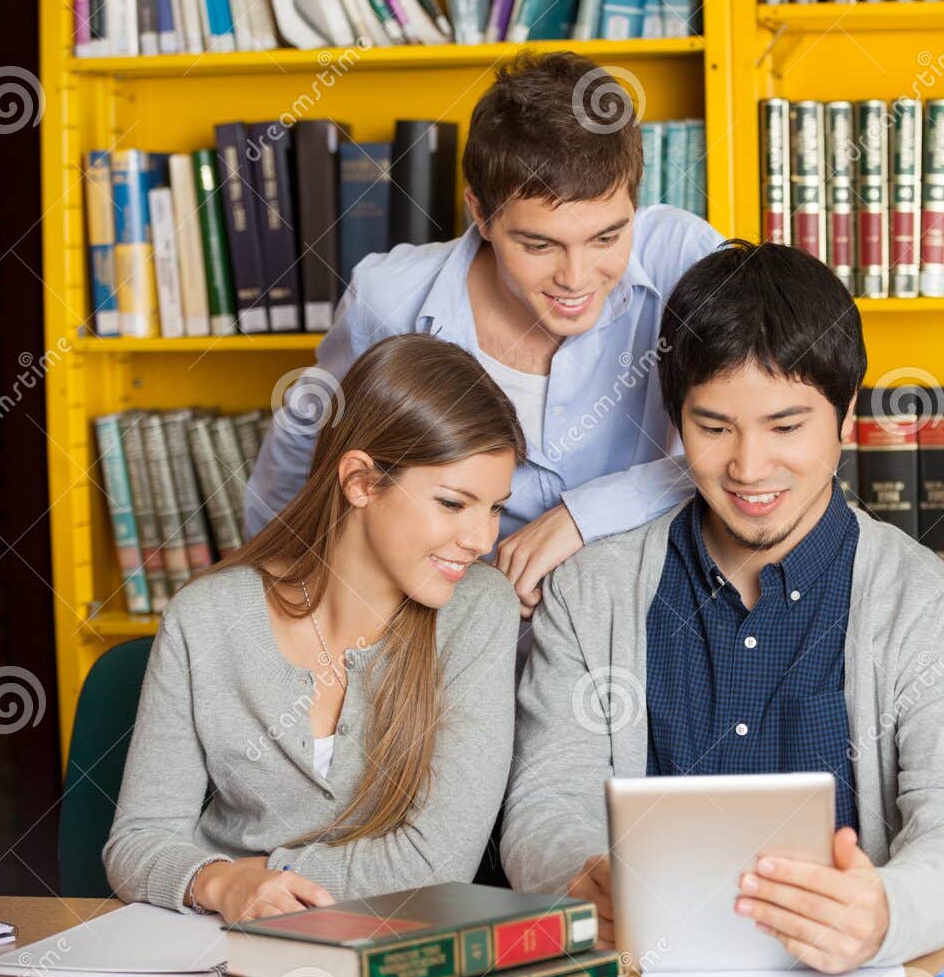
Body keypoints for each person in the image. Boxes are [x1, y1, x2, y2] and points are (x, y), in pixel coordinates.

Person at [500, 241, 944, 973]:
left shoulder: (935, 613)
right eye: (713, 428)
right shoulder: (592, 594)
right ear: (676, 422)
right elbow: (546, 800)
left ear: (846, 416)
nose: (748, 467)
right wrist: (581, 879)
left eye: (785, 426)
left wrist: (884, 912)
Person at [245, 50, 723, 617]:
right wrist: (269, 603)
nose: (576, 279)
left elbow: (758, 434)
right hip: (444, 626)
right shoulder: (390, 298)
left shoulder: (683, 259)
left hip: (643, 619)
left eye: (604, 239)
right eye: (539, 245)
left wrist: (584, 514)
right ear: (481, 213)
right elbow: (306, 453)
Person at [104, 334, 525, 923]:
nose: (483, 540)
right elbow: (138, 841)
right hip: (222, 947)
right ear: (359, 481)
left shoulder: (478, 610)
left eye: (496, 507)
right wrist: (222, 886)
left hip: (398, 949)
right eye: (454, 504)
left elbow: (436, 864)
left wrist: (252, 873)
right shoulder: (206, 618)